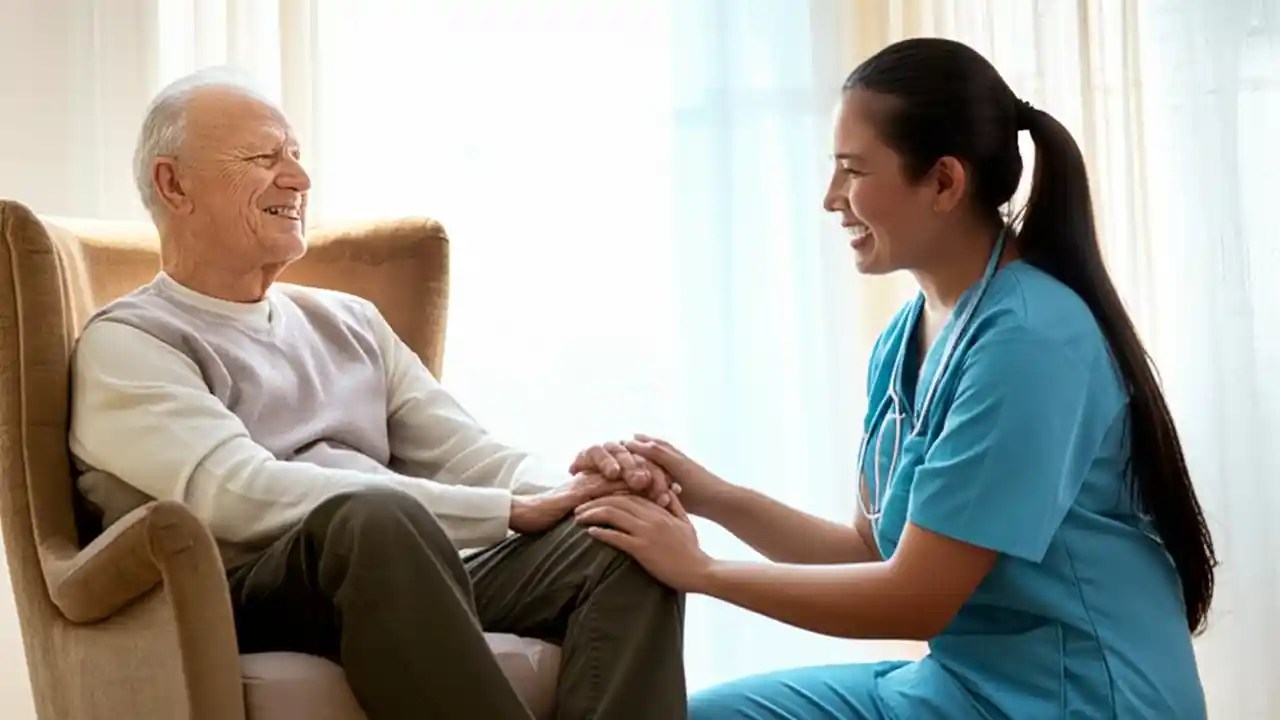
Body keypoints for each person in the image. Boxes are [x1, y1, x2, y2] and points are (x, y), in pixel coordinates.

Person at [569, 38, 1216, 719]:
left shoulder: (1031, 343)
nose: (830, 199)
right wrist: (705, 493)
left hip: (1073, 700)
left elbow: (915, 597)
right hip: (961, 684)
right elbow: (868, 549)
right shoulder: (906, 337)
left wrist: (702, 573)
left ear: (943, 182)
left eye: (853, 171)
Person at [67, 68, 687, 720]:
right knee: (371, 517)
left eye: (297, 157)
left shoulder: (350, 321)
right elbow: (238, 493)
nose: (299, 181)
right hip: (248, 591)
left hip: (398, 567)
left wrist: (581, 494)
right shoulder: (130, 343)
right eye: (263, 158)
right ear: (173, 184)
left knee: (622, 540)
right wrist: (505, 510)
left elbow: (469, 453)